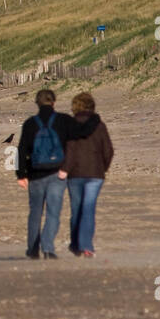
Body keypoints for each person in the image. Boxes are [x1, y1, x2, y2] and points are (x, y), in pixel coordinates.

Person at [17, 88, 100, 259]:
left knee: (35, 213)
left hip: (35, 175)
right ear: (53, 102)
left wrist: (21, 175)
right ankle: (48, 248)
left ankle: (33, 249)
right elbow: (82, 132)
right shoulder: (63, 120)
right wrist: (95, 118)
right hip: (57, 174)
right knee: (53, 213)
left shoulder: (30, 123)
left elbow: (22, 150)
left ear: (37, 104)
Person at [60, 92, 114, 258]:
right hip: (95, 174)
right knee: (88, 209)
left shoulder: (70, 125)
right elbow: (108, 150)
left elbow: (68, 150)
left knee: (76, 209)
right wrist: (103, 168)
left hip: (74, 174)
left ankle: (76, 245)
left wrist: (64, 169)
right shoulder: (100, 125)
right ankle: (87, 247)